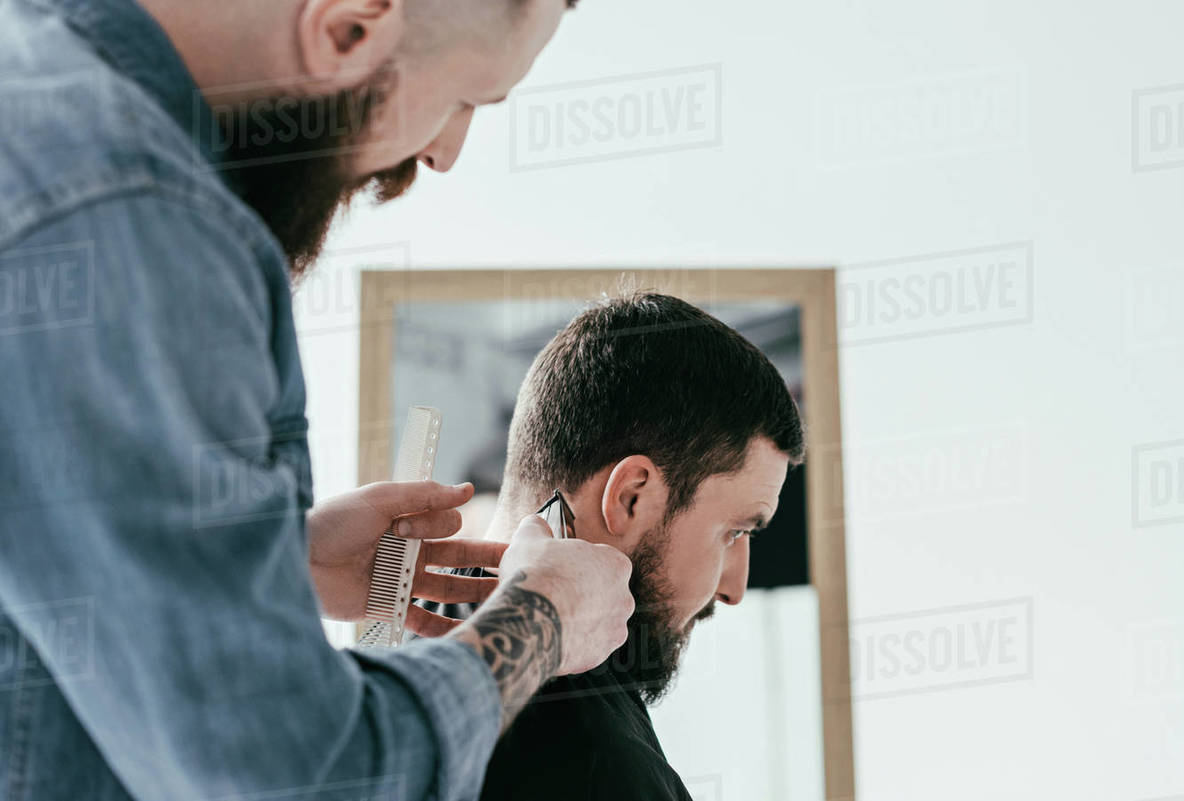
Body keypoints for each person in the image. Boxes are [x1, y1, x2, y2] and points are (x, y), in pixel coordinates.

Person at [0, 0, 633, 800]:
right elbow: (305, 778)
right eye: (468, 99)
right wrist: (541, 619)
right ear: (350, 28)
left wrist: (276, 562)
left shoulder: (32, 91)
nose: (445, 152)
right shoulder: (129, 217)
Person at [416, 293, 807, 800]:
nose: (734, 588)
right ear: (630, 496)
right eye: (734, 531)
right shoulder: (603, 767)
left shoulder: (409, 646)